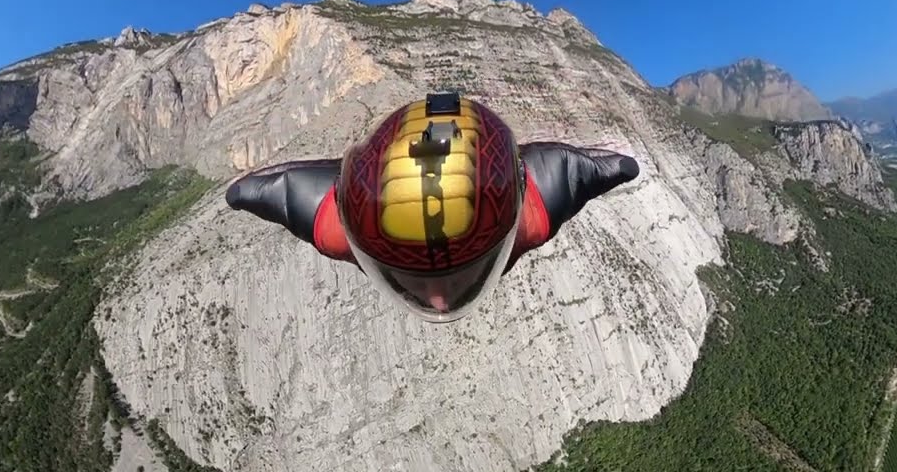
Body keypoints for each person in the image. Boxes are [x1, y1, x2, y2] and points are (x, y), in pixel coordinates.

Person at [226, 92, 639, 323]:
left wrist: (250, 193)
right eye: (416, 280)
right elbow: (577, 175)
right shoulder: (535, 209)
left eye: (461, 274)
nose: (440, 302)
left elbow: (285, 194)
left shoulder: (532, 209)